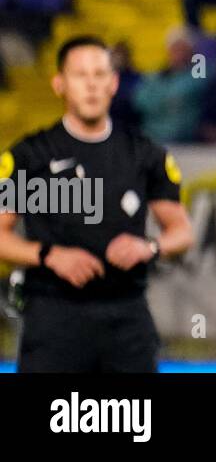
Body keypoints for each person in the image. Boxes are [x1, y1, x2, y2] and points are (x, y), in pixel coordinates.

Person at [0, 36, 194, 372]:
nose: (91, 85)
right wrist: (49, 255)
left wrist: (149, 247)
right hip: (53, 315)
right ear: (59, 84)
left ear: (114, 83)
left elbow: (182, 231)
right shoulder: (31, 156)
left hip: (126, 318)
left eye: (100, 75)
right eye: (80, 75)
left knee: (128, 424)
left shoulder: (144, 154)